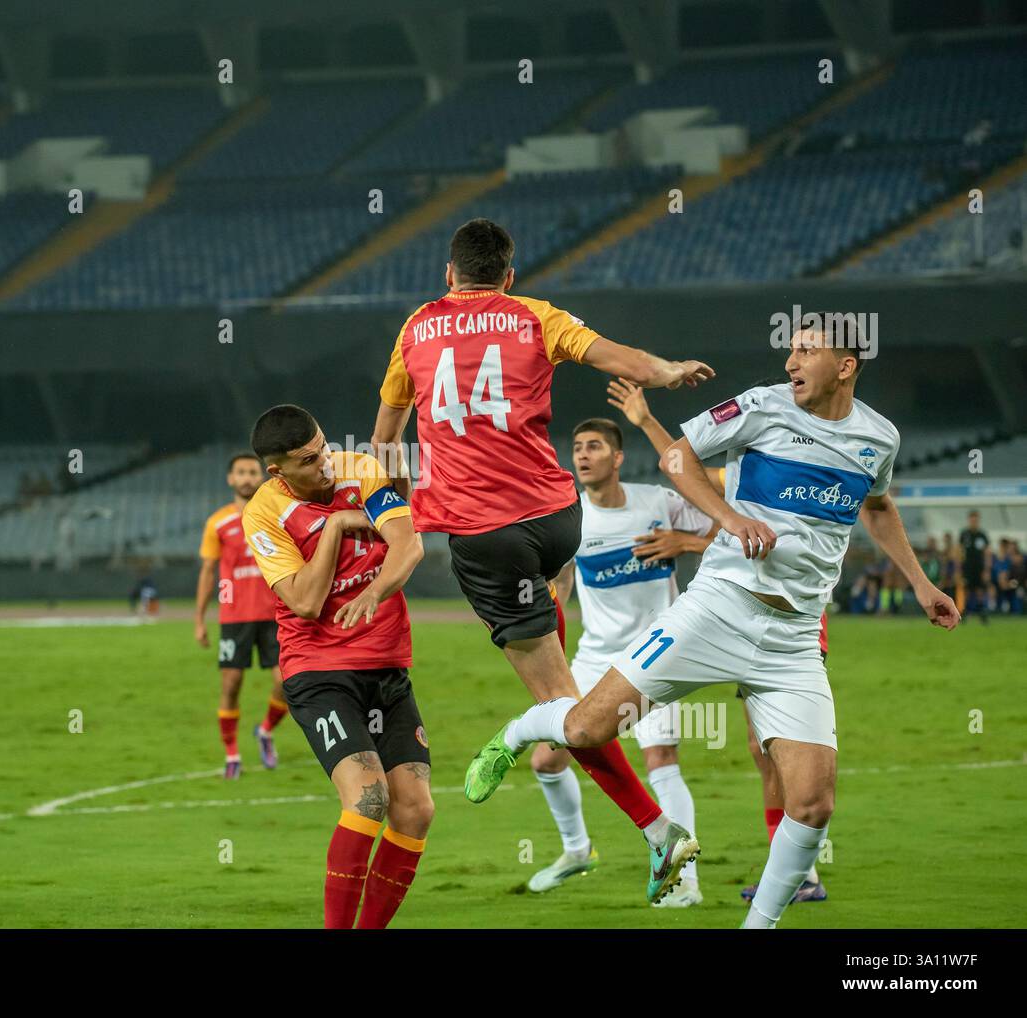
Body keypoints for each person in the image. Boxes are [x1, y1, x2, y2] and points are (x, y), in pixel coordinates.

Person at [469, 316, 960, 928]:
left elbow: (879, 505)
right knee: (590, 728)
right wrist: (727, 519)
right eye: (791, 349)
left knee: (813, 802)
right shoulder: (761, 406)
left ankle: (761, 924)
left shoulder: (877, 437)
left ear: (846, 365)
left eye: (807, 350)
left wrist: (919, 581)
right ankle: (521, 730)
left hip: (795, 638)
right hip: (721, 608)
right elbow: (678, 454)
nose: (791, 362)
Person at [369, 217, 714, 904]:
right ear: (509, 275)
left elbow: (386, 439)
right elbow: (627, 363)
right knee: (558, 667)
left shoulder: (415, 329)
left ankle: (651, 827)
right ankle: (585, 815)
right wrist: (669, 371)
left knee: (562, 709)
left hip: (484, 534)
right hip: (559, 521)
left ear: (448, 274)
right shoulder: (536, 315)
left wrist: (395, 514)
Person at [609, 377, 830, 905]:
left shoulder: (782, 468)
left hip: (789, 616)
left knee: (769, 746)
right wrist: (644, 420)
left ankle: (802, 871)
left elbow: (872, 506)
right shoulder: (740, 473)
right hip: (738, 607)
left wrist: (686, 541)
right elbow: (681, 462)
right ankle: (797, 868)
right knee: (762, 750)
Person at [243, 405, 432, 929]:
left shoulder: (360, 469)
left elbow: (408, 543)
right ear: (278, 471)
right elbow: (303, 601)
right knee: (369, 798)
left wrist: (375, 590)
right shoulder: (262, 513)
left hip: (386, 660)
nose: (327, 463)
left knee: (415, 810)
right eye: (310, 459)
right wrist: (336, 528)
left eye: (325, 446)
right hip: (319, 668)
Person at [527, 412, 718, 904]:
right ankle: (577, 851)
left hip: (659, 651)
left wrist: (686, 543)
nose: (583, 456)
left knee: (660, 760)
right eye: (577, 448)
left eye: (594, 447)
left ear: (617, 457)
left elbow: (729, 530)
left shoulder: (659, 501)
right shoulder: (571, 516)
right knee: (547, 759)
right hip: (595, 656)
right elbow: (563, 581)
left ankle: (686, 882)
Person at [195, 453, 287, 778]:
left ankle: (264, 730)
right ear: (230, 479)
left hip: (276, 613)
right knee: (231, 684)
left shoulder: (276, 516)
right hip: (234, 617)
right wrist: (200, 620)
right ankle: (232, 754)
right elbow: (208, 571)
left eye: (252, 471)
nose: (247, 477)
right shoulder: (217, 523)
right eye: (240, 472)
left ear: (261, 477)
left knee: (286, 682)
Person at [957, 511, 993, 623]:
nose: (974, 522)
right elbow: (959, 551)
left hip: (979, 568)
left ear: (978, 520)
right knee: (966, 590)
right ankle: (964, 613)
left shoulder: (982, 535)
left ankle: (982, 613)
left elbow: (987, 553)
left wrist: (987, 570)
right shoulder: (964, 534)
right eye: (972, 519)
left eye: (976, 520)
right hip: (967, 568)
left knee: (980, 590)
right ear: (969, 520)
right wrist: (958, 569)